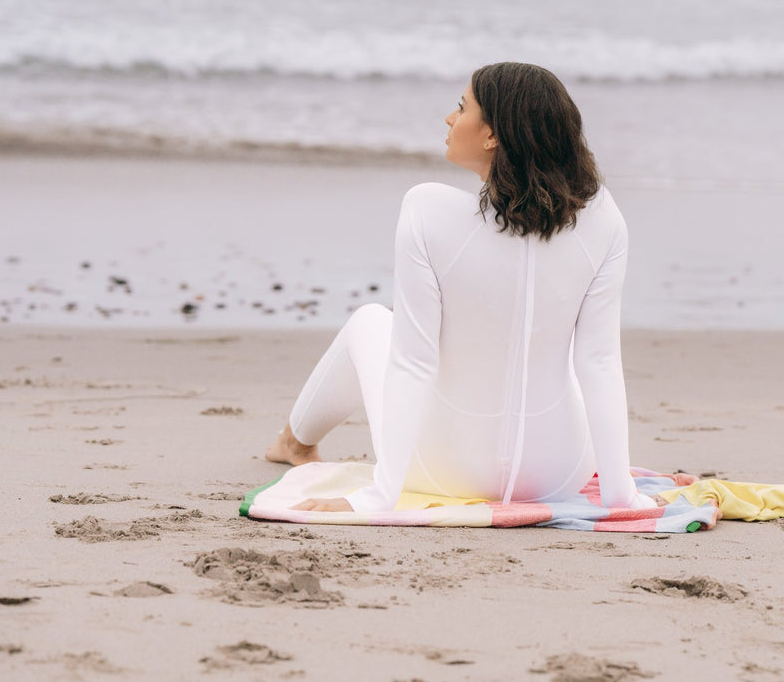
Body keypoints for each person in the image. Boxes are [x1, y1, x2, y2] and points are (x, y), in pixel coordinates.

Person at [265, 61, 656, 513]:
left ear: (492, 135)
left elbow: (414, 360)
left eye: (461, 107)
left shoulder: (427, 211)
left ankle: (294, 443)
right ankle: (292, 442)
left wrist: (378, 497)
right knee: (567, 354)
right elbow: (599, 362)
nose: (450, 119)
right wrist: (621, 495)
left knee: (370, 321)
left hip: (439, 472)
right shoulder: (604, 219)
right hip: (558, 476)